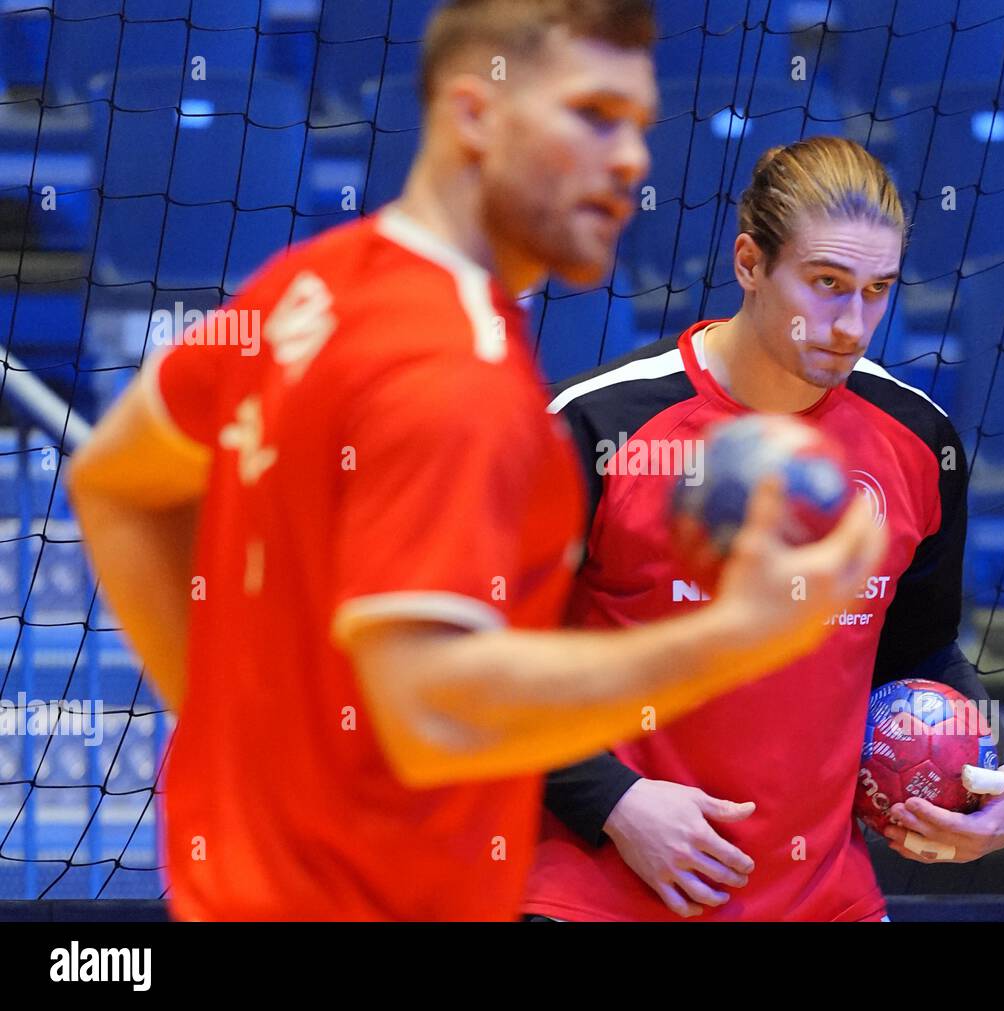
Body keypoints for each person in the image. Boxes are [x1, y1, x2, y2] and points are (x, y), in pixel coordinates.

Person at [66, 3, 883, 921]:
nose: (631, 161)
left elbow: (115, 485)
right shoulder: (455, 376)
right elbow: (436, 712)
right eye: (593, 116)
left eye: (640, 127)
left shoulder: (309, 286)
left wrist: (237, 732)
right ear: (474, 113)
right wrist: (731, 636)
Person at [522, 137, 1004, 922]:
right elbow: (480, 658)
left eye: (878, 290)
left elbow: (919, 649)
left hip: (824, 901)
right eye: (827, 284)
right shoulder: (599, 424)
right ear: (749, 263)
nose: (852, 322)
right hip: (597, 894)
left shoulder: (917, 441)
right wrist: (615, 799)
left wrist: (996, 772)